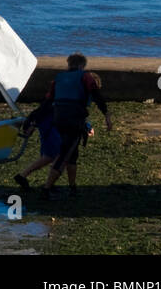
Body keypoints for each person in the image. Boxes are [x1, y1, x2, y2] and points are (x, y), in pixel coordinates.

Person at [40, 53, 112, 199]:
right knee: (66, 154)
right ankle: (46, 189)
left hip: (58, 118)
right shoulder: (85, 76)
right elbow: (96, 94)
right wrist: (107, 115)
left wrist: (36, 119)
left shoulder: (58, 78)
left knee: (72, 154)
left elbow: (48, 101)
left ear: (68, 64)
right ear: (82, 65)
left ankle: (73, 188)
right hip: (74, 119)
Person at [14, 100, 60, 191]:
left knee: (49, 156)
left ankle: (22, 176)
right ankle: (49, 184)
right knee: (55, 155)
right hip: (49, 122)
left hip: (48, 121)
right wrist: (34, 123)